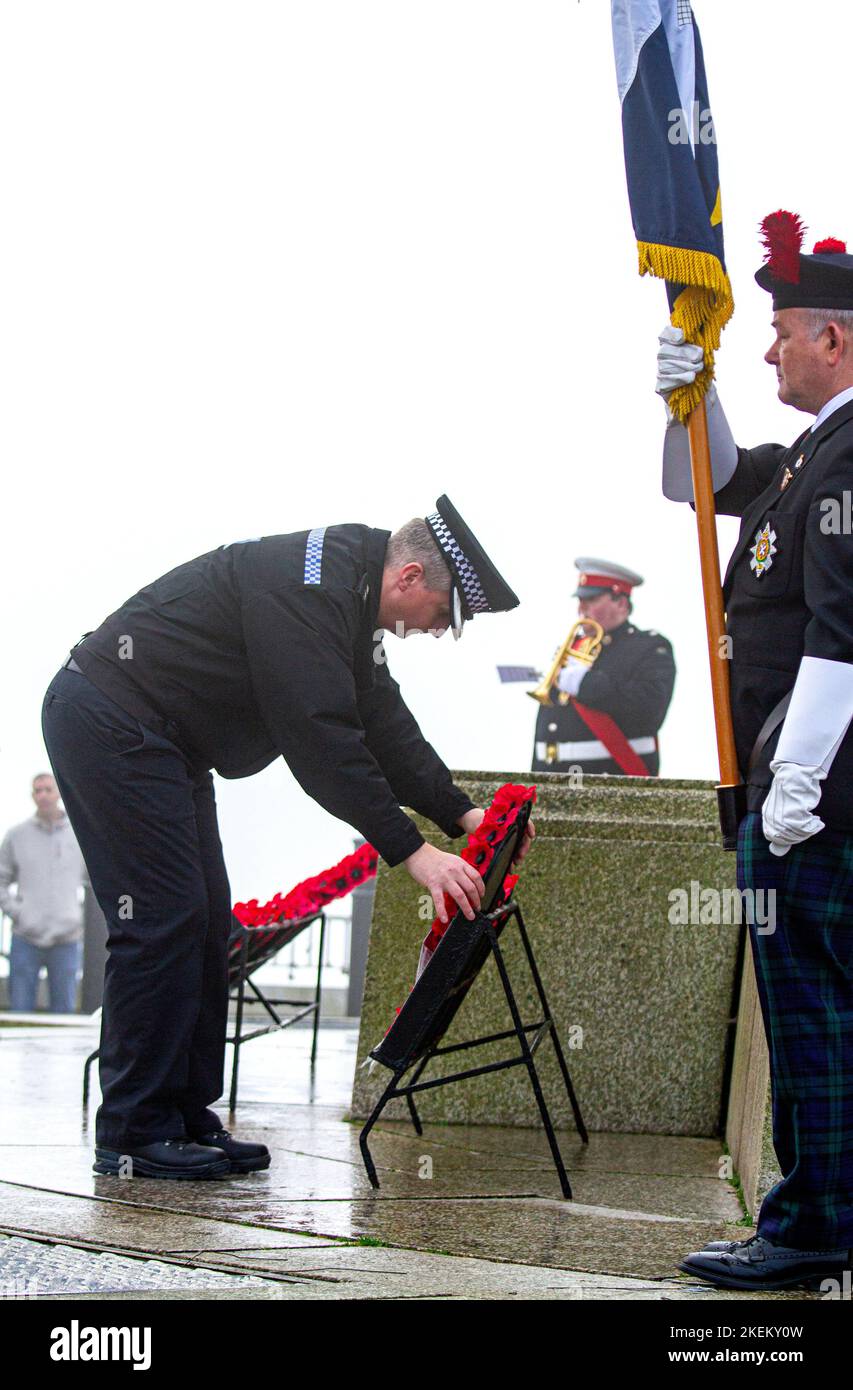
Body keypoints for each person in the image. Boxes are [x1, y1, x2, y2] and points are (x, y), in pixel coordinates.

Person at [42, 495, 533, 1181]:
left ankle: (181, 1114)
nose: (437, 633)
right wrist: (411, 851)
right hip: (110, 722)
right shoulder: (310, 587)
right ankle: (132, 1131)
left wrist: (463, 817)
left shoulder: (351, 589)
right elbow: (320, 737)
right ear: (412, 576)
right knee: (162, 920)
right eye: (443, 617)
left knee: (208, 921)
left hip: (163, 744)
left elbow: (381, 723)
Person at [657, 212, 853, 1291]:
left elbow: (844, 634)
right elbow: (699, 481)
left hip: (816, 803)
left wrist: (796, 782)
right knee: (815, 1013)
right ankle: (819, 1211)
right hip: (801, 795)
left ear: (834, 339)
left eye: (778, 333)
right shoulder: (807, 456)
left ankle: (811, 1224)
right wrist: (690, 398)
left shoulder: (851, 450)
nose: (766, 348)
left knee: (813, 1017)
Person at [531, 558, 675, 776]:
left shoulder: (650, 647)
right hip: (552, 777)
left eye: (591, 599)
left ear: (621, 603)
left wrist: (586, 684)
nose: (582, 608)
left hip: (612, 779)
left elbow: (649, 711)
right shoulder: (575, 646)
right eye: (580, 599)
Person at [0, 774, 87, 1013]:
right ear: (32, 796)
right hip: (26, 938)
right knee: (20, 1014)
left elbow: (97, 882)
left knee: (65, 1017)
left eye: (48, 789)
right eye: (38, 791)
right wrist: (18, 913)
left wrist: (79, 916)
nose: (43, 795)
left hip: (67, 939)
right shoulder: (16, 836)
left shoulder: (80, 834)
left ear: (58, 793)